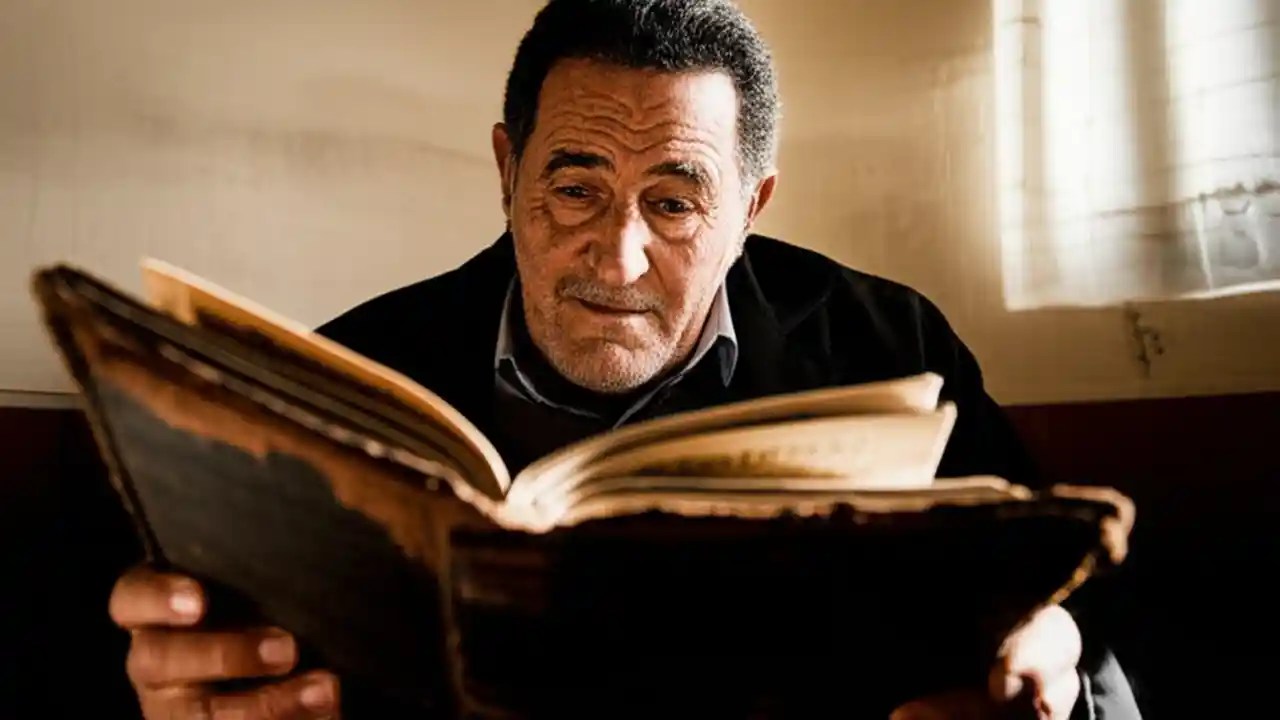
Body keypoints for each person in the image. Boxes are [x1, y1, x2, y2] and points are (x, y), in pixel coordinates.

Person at [106, 0, 1142, 718]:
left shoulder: (891, 349)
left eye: (675, 201)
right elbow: (207, 660)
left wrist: (1052, 668)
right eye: (573, 186)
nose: (617, 253)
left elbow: (1070, 617)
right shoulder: (346, 381)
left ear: (750, 208)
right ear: (508, 170)